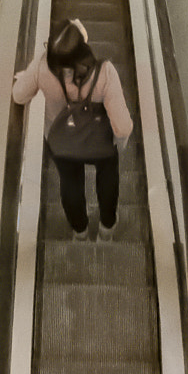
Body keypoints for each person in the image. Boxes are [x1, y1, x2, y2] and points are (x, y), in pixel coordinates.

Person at [12, 18, 132, 242]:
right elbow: (123, 127)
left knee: (70, 183)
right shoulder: (104, 72)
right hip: (100, 143)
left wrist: (27, 75)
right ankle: (106, 230)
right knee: (108, 178)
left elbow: (19, 95)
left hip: (62, 142)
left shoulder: (43, 68)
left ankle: (80, 231)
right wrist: (119, 143)